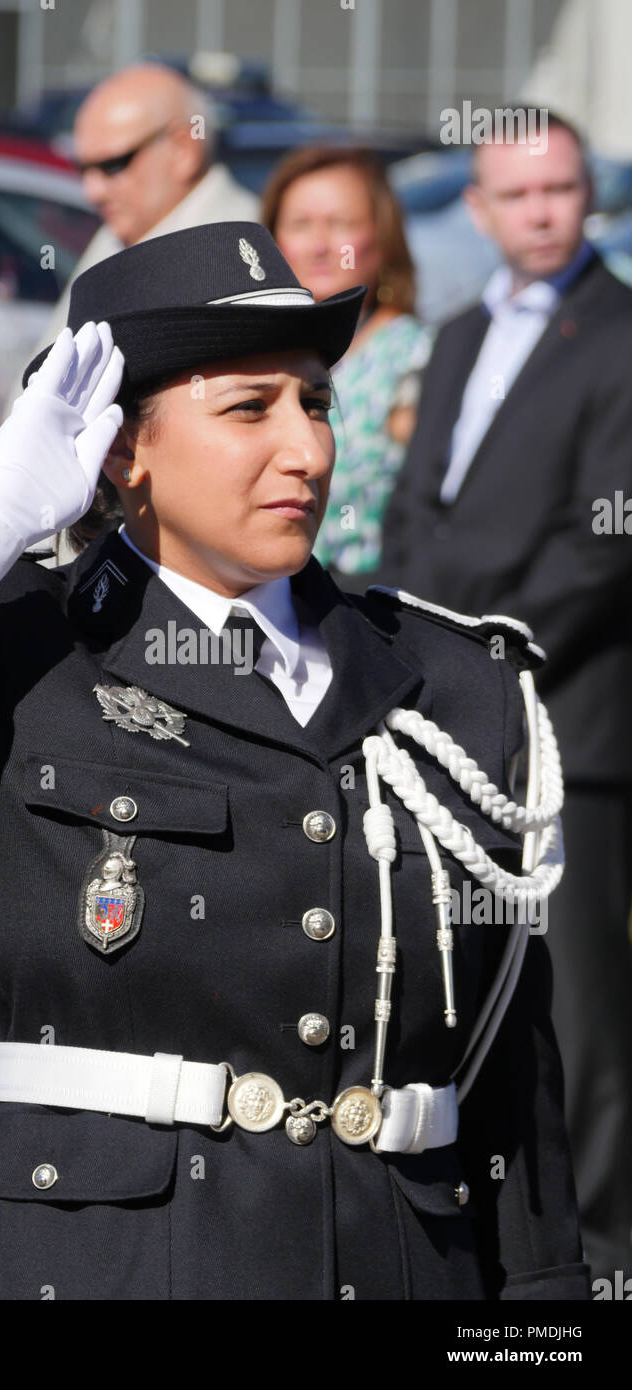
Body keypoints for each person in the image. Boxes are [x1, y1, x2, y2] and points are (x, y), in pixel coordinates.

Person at [0, 222, 587, 1301]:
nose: (304, 449)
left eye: (314, 403)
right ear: (119, 448)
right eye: (248, 408)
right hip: (86, 1268)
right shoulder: (10, 651)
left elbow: (507, 1081)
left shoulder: (454, 682)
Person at [378, 111, 632, 1286]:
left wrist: (487, 657)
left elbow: (604, 544)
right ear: (475, 209)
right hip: (442, 717)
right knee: (452, 992)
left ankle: (600, 1255)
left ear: (588, 197)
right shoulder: (459, 332)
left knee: (577, 1019)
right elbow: (412, 512)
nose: (539, 211)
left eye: (559, 189)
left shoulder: (622, 333)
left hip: (563, 725)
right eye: (514, 194)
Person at [9, 62, 258, 417]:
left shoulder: (239, 245)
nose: (92, 190)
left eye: (113, 165)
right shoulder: (126, 232)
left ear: (183, 148)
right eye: (83, 169)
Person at [262, 147, 432, 583]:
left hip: (363, 601)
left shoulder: (415, 359)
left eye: (341, 224)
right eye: (300, 225)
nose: (320, 246)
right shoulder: (249, 356)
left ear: (383, 237)